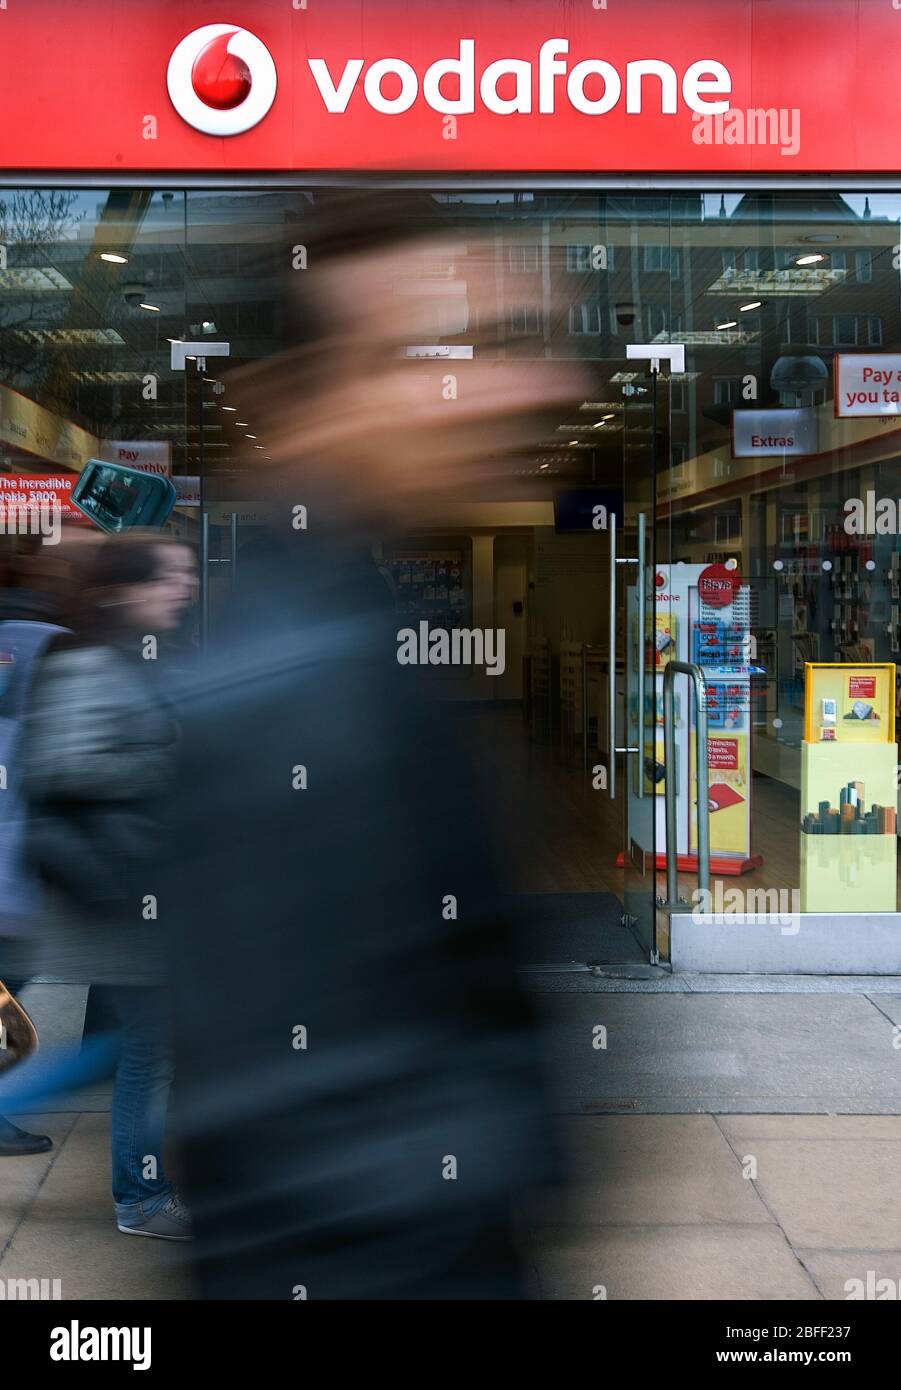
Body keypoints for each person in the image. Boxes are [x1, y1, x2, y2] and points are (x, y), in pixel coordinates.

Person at [163, 199, 586, 1297]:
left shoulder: (365, 642)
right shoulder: (299, 695)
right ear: (306, 404)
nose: (538, 385)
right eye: (453, 354)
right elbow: (302, 1168)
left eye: (520, 341)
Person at [17, 531, 196, 1237]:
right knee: (149, 1048)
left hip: (131, 891)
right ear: (126, 589)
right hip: (114, 900)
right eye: (169, 576)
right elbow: (61, 767)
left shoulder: (137, 657)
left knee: (130, 1047)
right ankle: (140, 1197)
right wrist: (168, 769)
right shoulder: (89, 663)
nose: (184, 587)